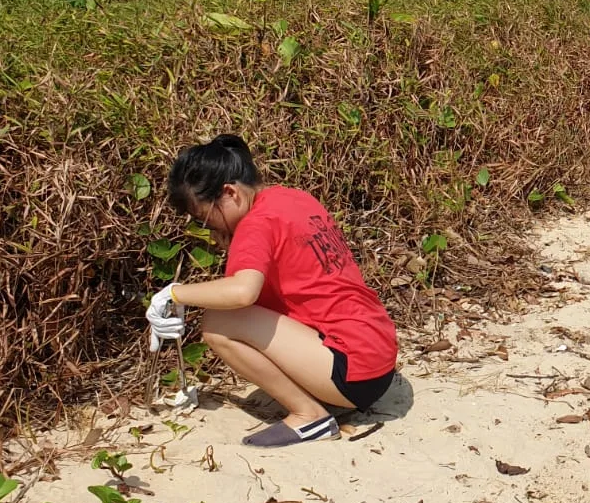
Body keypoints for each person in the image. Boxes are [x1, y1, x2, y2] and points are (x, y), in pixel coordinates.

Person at [145, 135, 399, 448]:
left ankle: (309, 416)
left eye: (205, 217)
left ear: (230, 193)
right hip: (378, 354)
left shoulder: (256, 223)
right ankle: (317, 403)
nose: (208, 229)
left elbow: (242, 294)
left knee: (218, 324)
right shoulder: (293, 198)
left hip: (353, 371)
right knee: (231, 315)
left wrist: (174, 293)